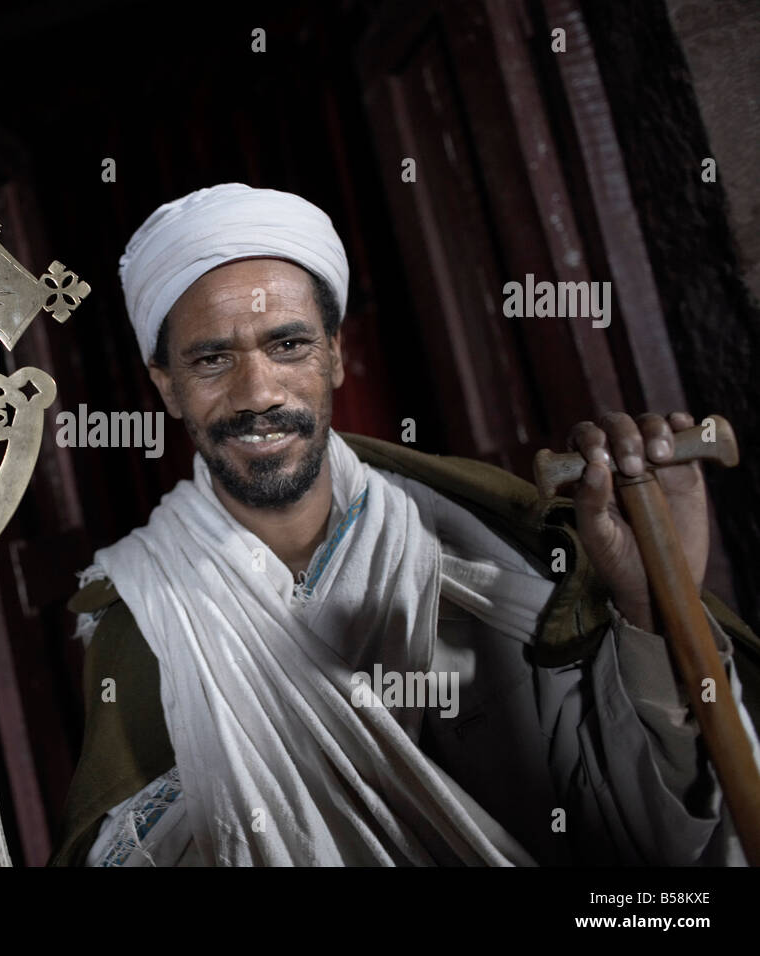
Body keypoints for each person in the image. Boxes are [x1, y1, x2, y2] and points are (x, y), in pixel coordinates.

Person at [49, 183, 760, 867]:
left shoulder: (495, 560)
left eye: (288, 345)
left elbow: (646, 836)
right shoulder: (142, 619)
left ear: (335, 355)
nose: (257, 392)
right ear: (167, 386)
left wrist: (647, 607)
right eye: (212, 359)